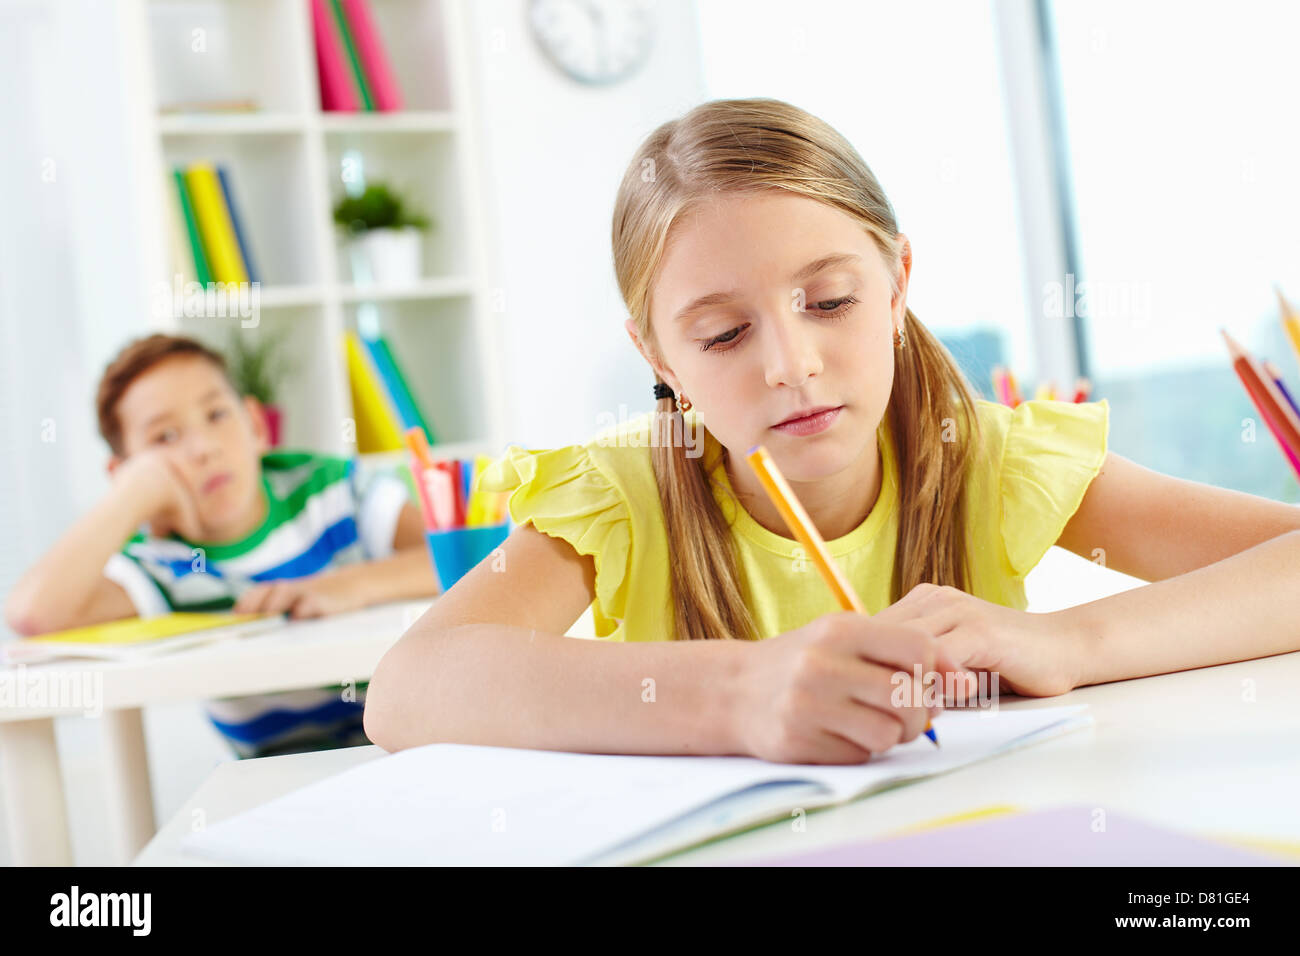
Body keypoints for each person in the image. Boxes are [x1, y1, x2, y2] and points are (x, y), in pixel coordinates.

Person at [363, 98, 1300, 765]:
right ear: (658, 356)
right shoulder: (624, 496)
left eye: (831, 301)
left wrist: (1065, 644)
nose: (789, 364)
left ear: (897, 285)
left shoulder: (991, 459)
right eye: (723, 333)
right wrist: (741, 697)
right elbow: (409, 690)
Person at [5, 334, 439, 757]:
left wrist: (346, 587)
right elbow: (34, 612)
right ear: (125, 472)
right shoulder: (160, 563)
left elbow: (458, 560)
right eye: (165, 438)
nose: (204, 448)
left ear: (254, 424)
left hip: (411, 743)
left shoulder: (330, 489)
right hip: (277, 770)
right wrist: (131, 495)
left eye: (216, 415)